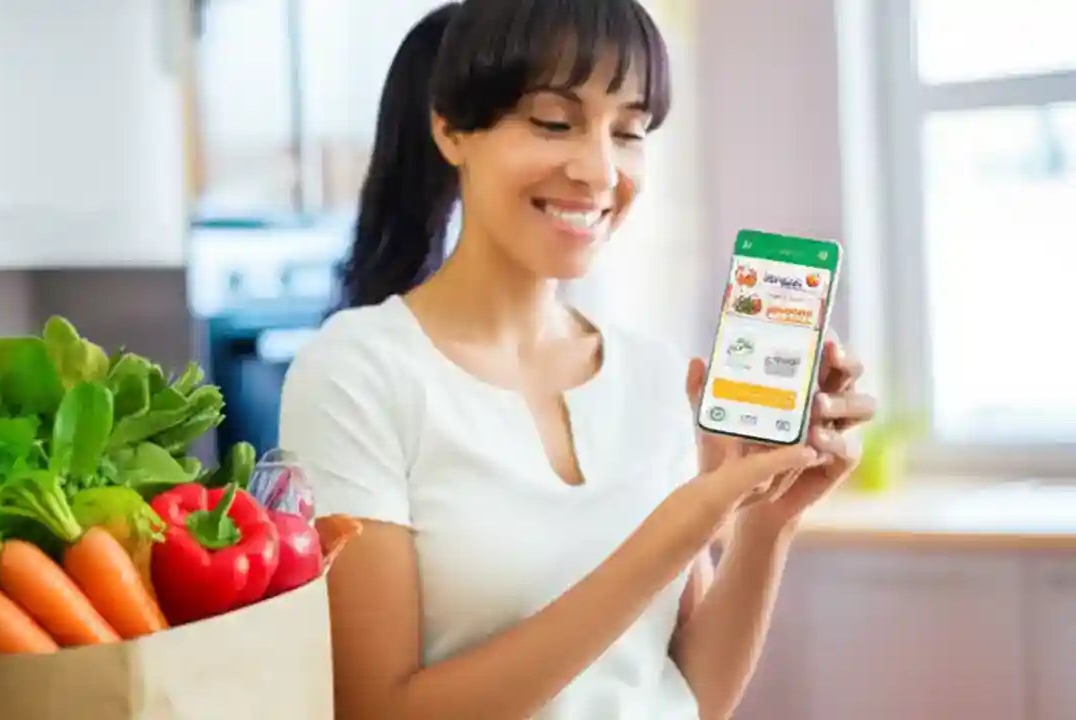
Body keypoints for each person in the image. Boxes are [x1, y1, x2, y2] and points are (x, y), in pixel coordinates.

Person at [278, 2, 876, 718]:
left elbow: (690, 698)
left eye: (628, 132)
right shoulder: (354, 373)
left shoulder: (652, 377)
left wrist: (766, 524)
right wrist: (684, 524)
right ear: (450, 128)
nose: (599, 170)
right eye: (554, 122)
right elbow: (378, 711)